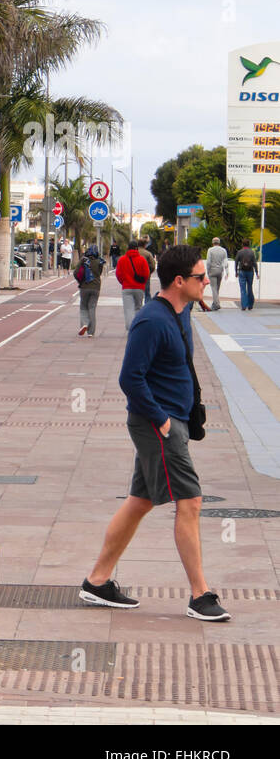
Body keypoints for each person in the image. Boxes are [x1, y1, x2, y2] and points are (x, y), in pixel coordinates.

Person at [81, 244, 230, 622]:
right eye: (199, 277)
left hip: (173, 419)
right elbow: (130, 377)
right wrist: (162, 420)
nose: (206, 281)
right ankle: (200, 595)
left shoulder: (182, 311)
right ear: (179, 281)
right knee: (191, 501)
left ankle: (97, 581)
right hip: (158, 424)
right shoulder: (151, 321)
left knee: (140, 501)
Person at [115, 240, 150, 330]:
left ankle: (130, 328)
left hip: (126, 288)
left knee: (128, 309)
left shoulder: (122, 260)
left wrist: (123, 282)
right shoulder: (142, 259)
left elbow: (118, 274)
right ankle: (137, 328)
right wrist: (142, 283)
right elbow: (146, 274)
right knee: (138, 308)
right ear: (137, 249)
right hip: (139, 288)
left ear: (128, 248)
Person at [75, 246, 105, 337]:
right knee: (92, 308)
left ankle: (84, 323)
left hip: (84, 286)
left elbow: (76, 272)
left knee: (83, 306)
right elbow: (99, 273)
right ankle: (91, 332)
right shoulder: (99, 262)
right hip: (96, 287)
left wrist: (79, 280)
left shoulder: (83, 260)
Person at [205, 237, 228, 311]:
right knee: (217, 288)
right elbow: (225, 262)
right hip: (220, 271)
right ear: (219, 243)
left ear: (212, 243)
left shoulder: (210, 250)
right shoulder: (223, 250)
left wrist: (207, 270)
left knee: (213, 288)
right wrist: (227, 272)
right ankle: (215, 303)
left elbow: (208, 262)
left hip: (212, 270)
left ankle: (216, 304)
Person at [236, 242, 257, 311]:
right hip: (250, 272)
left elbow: (236, 262)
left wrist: (236, 272)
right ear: (249, 245)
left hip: (242, 271)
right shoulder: (252, 252)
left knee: (243, 289)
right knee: (250, 288)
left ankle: (244, 306)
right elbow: (254, 262)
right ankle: (250, 305)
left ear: (242, 244)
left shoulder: (239, 252)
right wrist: (257, 272)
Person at [138, 239, 157, 303]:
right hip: (145, 275)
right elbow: (153, 265)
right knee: (147, 292)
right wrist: (149, 272)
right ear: (145, 245)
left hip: (134, 275)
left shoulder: (135, 252)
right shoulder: (148, 254)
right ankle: (147, 307)